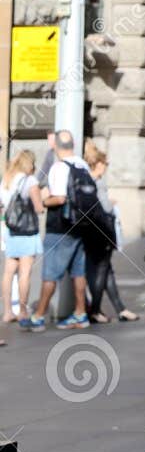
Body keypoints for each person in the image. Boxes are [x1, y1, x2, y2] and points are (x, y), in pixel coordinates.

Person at [30, 129, 92, 331]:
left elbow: (59, 198)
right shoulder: (82, 164)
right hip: (81, 226)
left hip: (59, 227)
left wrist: (42, 201)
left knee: (50, 274)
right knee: (78, 273)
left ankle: (38, 316)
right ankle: (81, 314)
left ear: (56, 146)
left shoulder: (58, 167)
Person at [83, 140, 139, 324]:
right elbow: (105, 206)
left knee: (106, 271)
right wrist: (111, 203)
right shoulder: (98, 182)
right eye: (105, 164)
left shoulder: (85, 179)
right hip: (102, 231)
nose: (106, 167)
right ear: (98, 164)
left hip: (90, 231)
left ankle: (120, 309)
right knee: (102, 270)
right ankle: (95, 310)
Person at [1, 150, 44, 332]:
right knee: (24, 273)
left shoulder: (7, 179)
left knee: (8, 272)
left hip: (11, 230)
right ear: (30, 164)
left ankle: (7, 311)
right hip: (27, 232)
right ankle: (23, 312)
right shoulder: (30, 181)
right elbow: (39, 207)